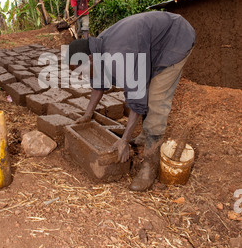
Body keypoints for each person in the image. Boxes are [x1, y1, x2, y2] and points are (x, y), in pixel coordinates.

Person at [67, 11, 195, 192]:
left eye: (81, 71)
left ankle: (150, 165)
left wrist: (124, 140)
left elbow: (136, 96)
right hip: (151, 44)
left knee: (157, 98)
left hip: (175, 39)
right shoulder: (98, 48)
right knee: (145, 84)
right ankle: (144, 136)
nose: (82, 76)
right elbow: (99, 84)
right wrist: (87, 115)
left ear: (89, 58)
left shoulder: (120, 55)